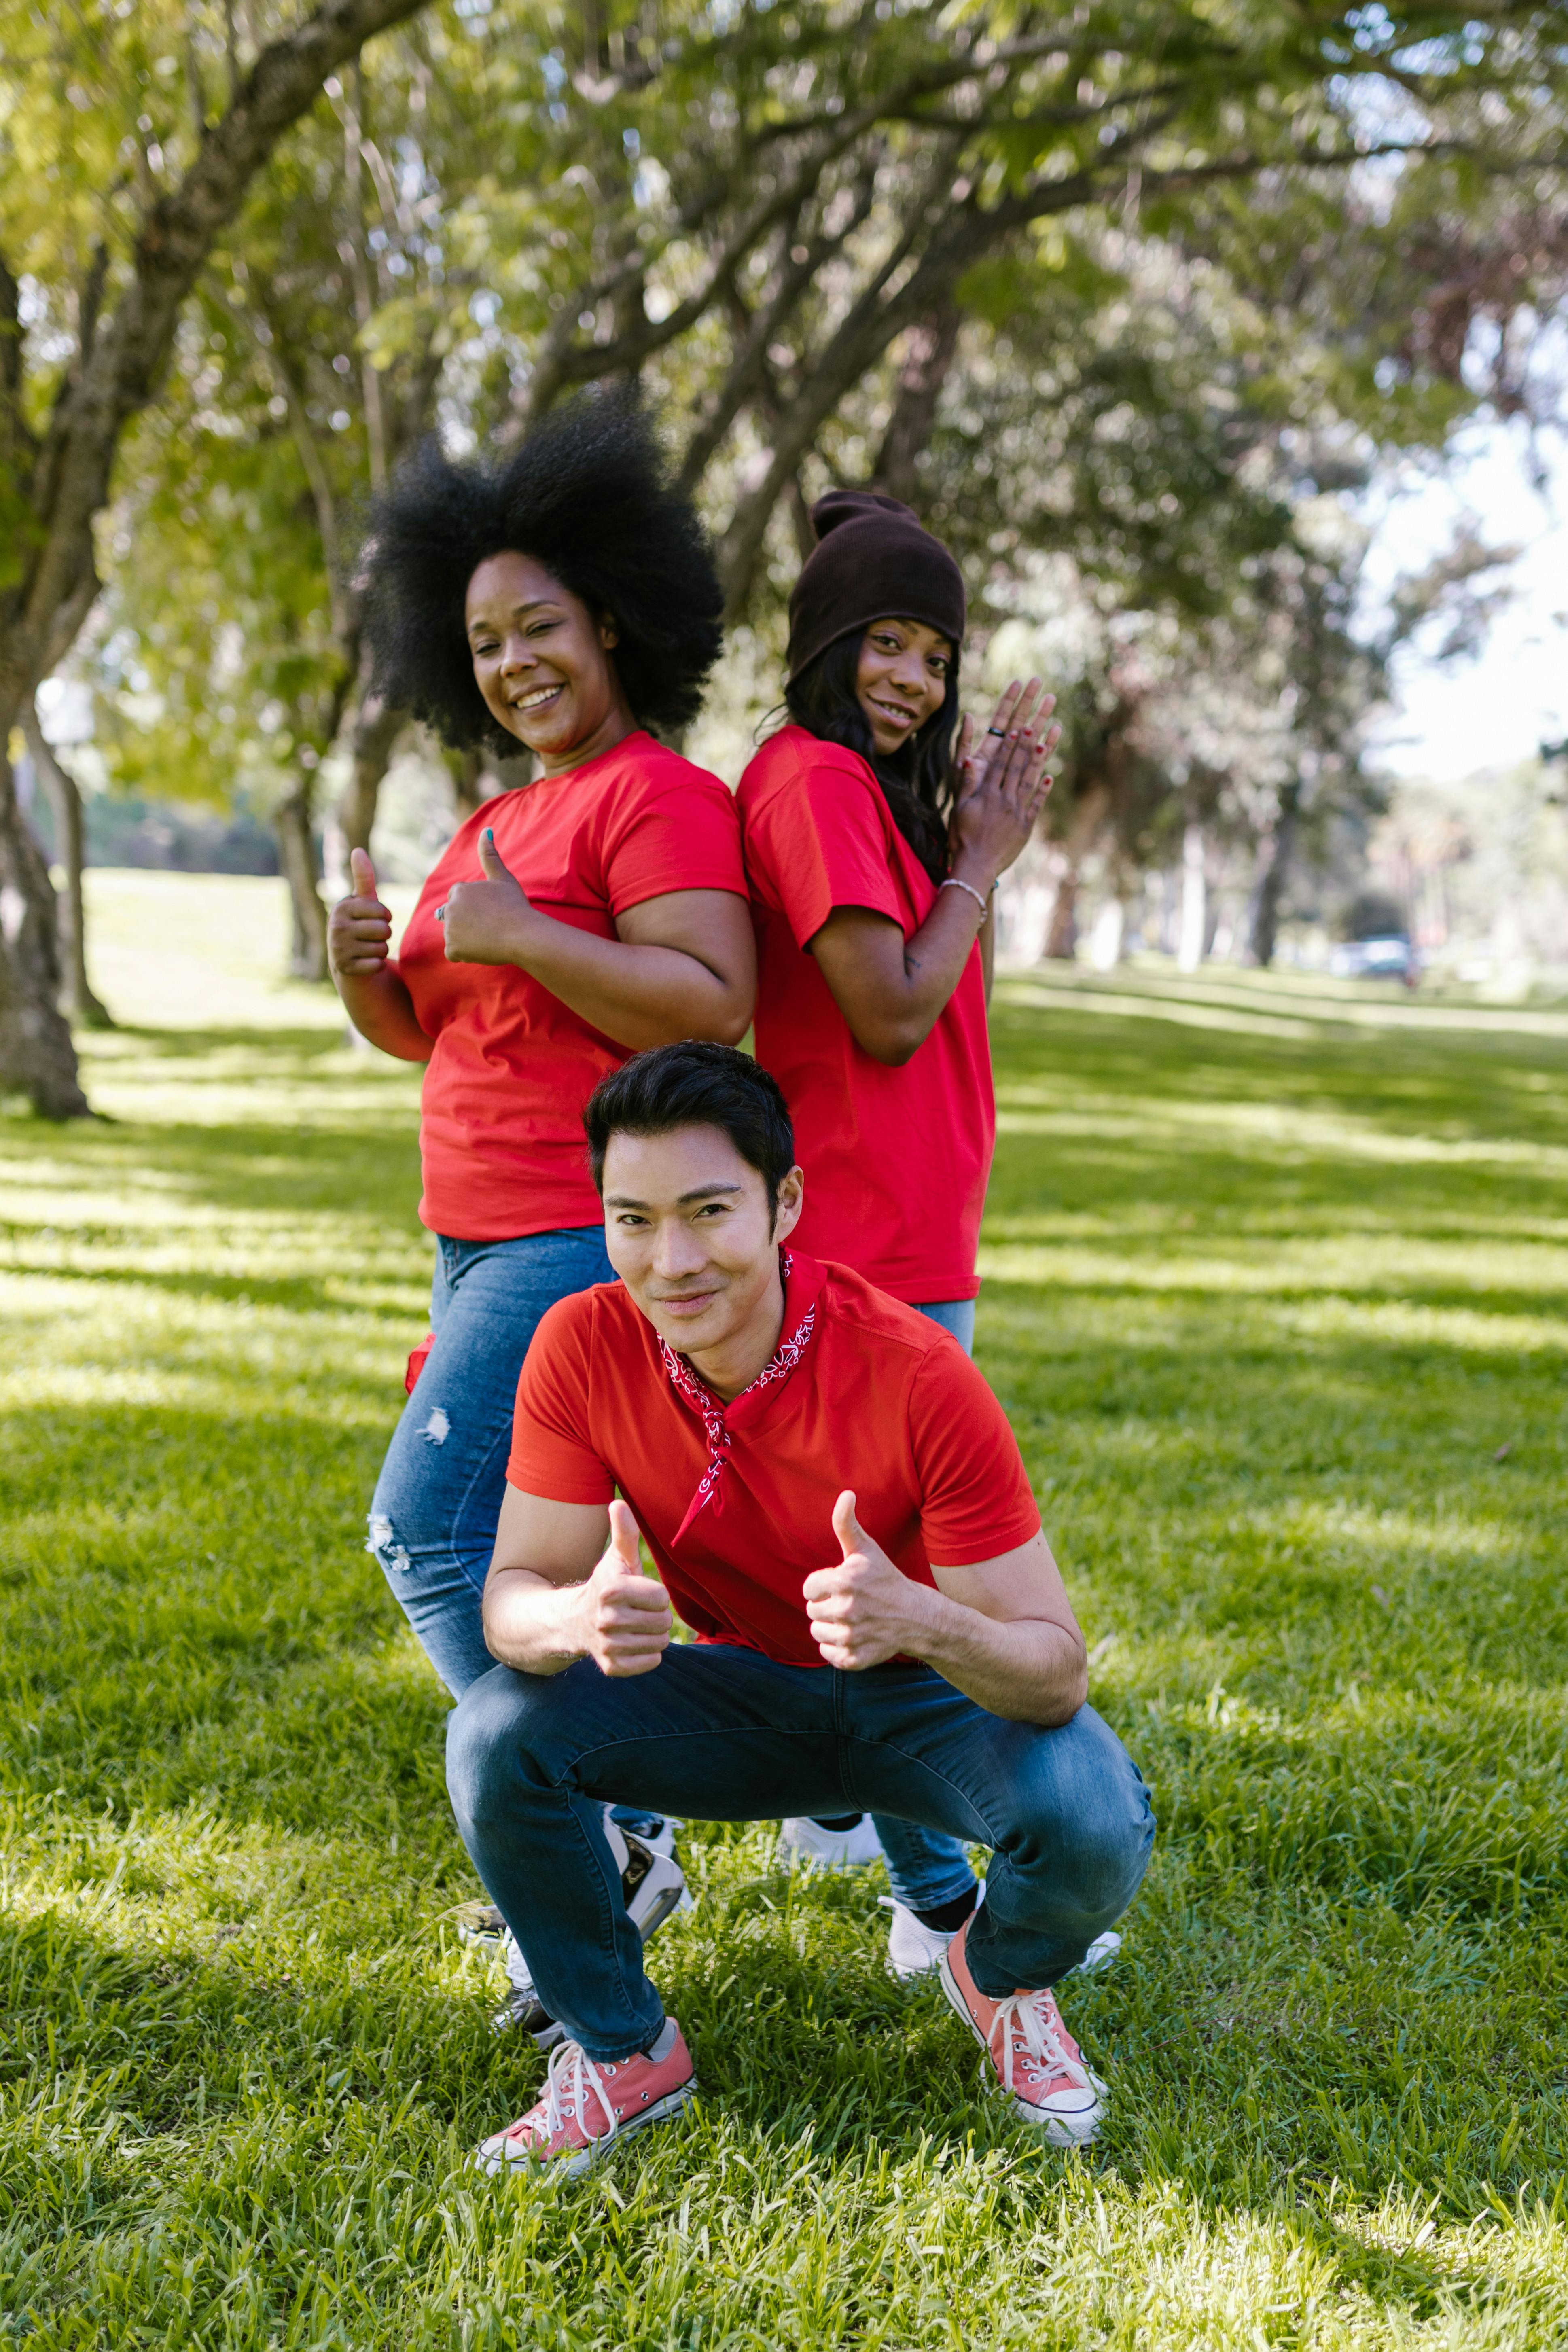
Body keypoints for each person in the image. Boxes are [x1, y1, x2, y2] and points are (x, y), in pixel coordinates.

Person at [447, 1044, 1155, 2178]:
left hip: (917, 1703)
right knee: (495, 1730)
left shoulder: (916, 1372)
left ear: (784, 1203)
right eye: (632, 1220)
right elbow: (509, 1602)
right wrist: (574, 1620)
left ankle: (999, 1977)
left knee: (1091, 1814)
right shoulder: (581, 1342)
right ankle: (623, 2052)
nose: (670, 1261)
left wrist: (919, 1621)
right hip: (733, 1700)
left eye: (708, 1211)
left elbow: (1052, 1672)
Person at [327, 392, 756, 2019]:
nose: (511, 663)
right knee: (510, 1542)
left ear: (613, 623)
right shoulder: (496, 822)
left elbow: (707, 998)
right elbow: (436, 1024)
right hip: (469, 1232)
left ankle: (613, 1821)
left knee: (423, 1529)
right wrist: (368, 967)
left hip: (574, 1234)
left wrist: (526, 936)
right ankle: (616, 1813)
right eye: (484, 641)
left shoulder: (657, 797)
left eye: (540, 629)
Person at [736, 490, 1059, 1960]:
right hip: (868, 1244)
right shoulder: (809, 782)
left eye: (935, 653)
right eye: (885, 641)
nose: (914, 680)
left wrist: (968, 842)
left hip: (912, 1230)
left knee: (888, 1573)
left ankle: (853, 1823)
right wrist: (982, 858)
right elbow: (885, 1012)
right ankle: (933, 1906)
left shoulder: (862, 792)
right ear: (822, 645)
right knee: (908, 1579)